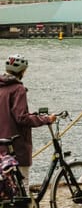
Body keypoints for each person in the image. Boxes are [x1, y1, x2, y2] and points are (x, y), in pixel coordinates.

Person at [0, 55, 54, 188]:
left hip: (1, 144)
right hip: (16, 144)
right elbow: (22, 117)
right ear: (22, 71)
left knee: (5, 184)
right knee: (22, 184)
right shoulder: (18, 89)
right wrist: (46, 119)